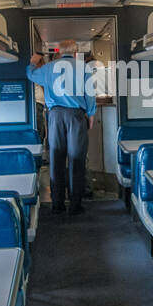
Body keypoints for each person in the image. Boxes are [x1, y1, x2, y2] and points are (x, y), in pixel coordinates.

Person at [26, 40, 97, 215]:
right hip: (76, 116)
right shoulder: (84, 68)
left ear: (59, 52)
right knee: (77, 160)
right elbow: (90, 94)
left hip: (55, 116)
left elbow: (31, 75)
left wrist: (33, 62)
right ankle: (75, 205)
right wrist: (91, 115)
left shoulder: (49, 67)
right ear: (75, 52)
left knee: (56, 159)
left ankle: (57, 204)